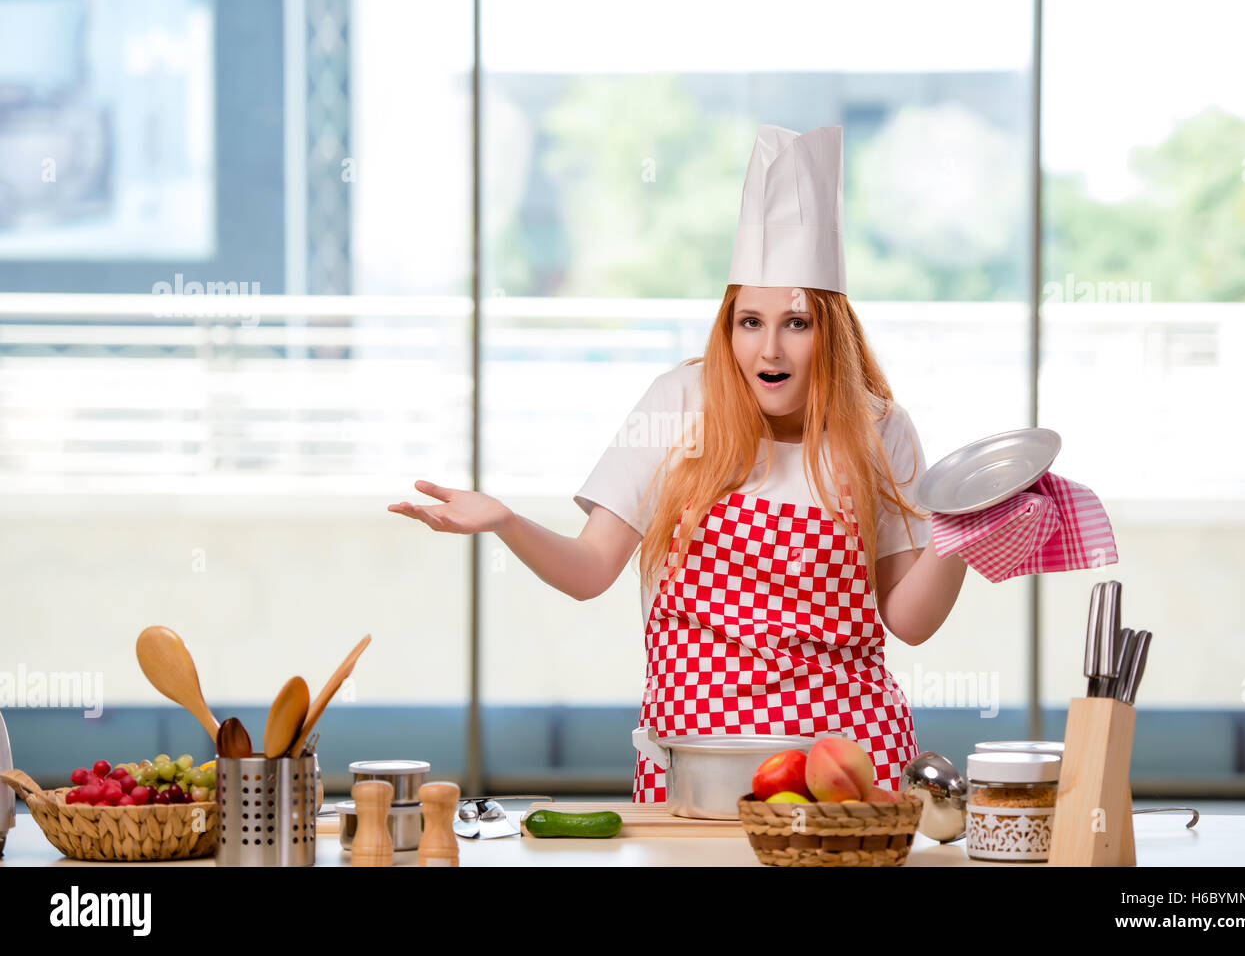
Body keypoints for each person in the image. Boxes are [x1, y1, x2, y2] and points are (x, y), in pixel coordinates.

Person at [389, 125, 967, 799]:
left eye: (796, 323)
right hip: (698, 760)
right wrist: (507, 522)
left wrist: (964, 528)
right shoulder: (678, 403)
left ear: (830, 331)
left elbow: (910, 620)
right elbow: (590, 569)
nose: (769, 349)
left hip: (848, 762)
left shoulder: (881, 429)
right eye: (750, 321)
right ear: (729, 325)